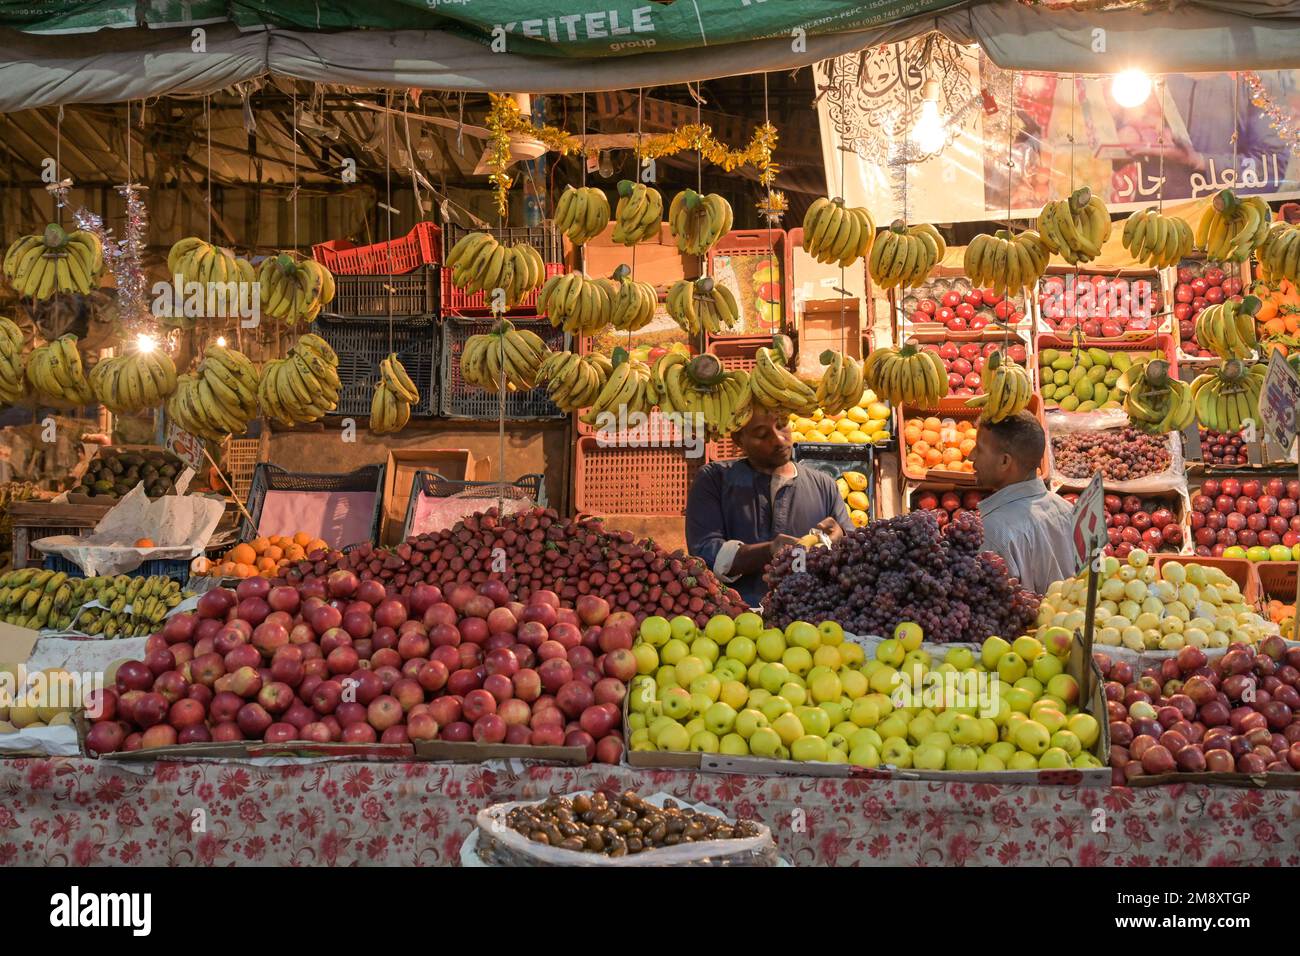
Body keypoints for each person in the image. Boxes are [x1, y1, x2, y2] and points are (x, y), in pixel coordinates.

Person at [686, 408, 851, 607]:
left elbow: (855, 553)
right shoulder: (714, 480)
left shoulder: (824, 485)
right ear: (739, 440)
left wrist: (840, 536)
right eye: (762, 434)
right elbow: (703, 552)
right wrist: (768, 551)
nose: (779, 439)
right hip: (735, 618)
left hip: (808, 618)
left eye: (782, 425)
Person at [971, 410, 1078, 594]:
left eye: (979, 449)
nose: (971, 456)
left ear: (1005, 461)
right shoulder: (1068, 510)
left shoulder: (992, 533)